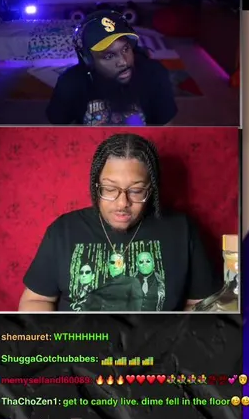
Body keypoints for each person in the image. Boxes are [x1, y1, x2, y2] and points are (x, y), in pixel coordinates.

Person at [19, 133, 220, 312]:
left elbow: (202, 305)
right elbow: (36, 300)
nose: (122, 203)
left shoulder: (181, 229)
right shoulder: (64, 230)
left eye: (136, 190)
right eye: (109, 189)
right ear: (96, 186)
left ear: (151, 190)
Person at [46, 10, 178, 127]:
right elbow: (57, 134)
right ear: (88, 60)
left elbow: (166, 133)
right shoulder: (70, 83)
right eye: (109, 56)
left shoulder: (155, 74)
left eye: (125, 49)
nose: (123, 62)